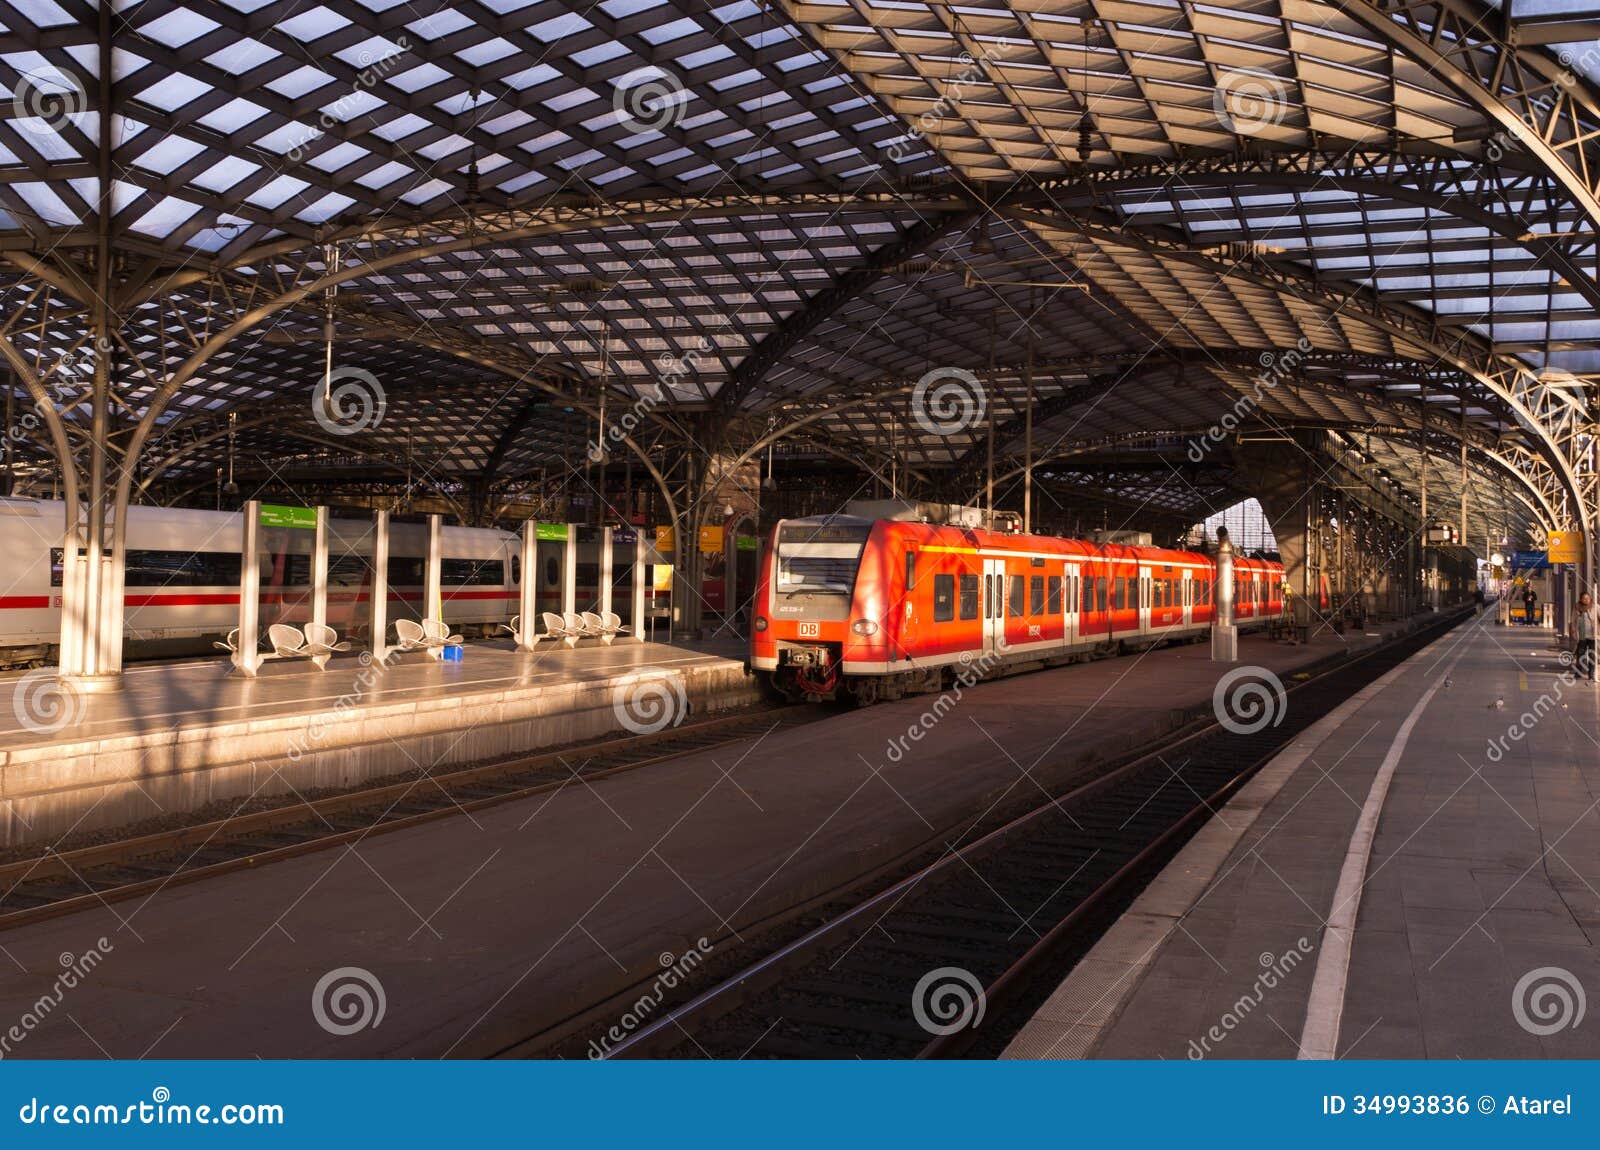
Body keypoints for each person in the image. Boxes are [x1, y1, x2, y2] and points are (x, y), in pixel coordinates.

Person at [1573, 592, 1599, 682]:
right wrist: (1574, 632)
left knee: (1592, 655)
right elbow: (1574, 620)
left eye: (1588, 598)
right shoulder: (1577, 607)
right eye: (1584, 598)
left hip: (1593, 635)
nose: (1586, 600)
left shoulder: (1595, 607)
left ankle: (1591, 674)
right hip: (1582, 635)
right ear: (1581, 599)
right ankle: (1578, 673)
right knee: (1580, 655)